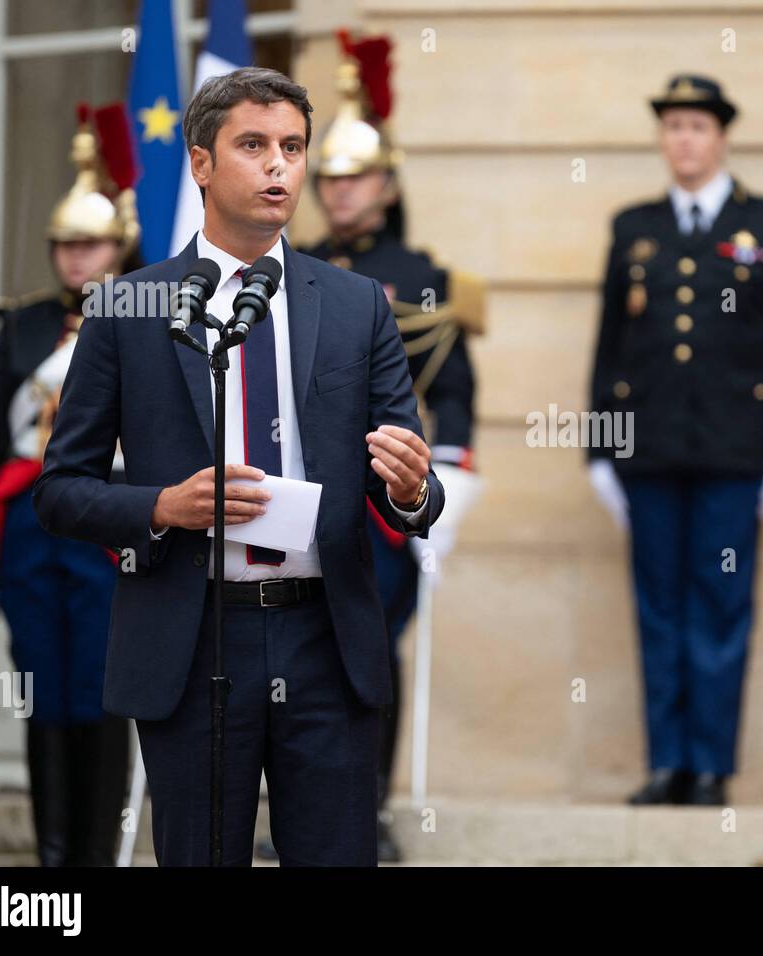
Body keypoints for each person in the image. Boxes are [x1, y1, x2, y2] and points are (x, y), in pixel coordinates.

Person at [33, 67, 445, 866]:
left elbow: (408, 485)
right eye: (253, 145)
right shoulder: (126, 309)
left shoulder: (358, 305)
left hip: (325, 639)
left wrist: (411, 489)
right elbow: (60, 492)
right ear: (200, 163)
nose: (279, 167)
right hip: (193, 639)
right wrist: (161, 507)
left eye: (293, 147)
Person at [588, 75, 763, 806]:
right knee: (656, 606)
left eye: (697, 125)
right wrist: (598, 445)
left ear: (721, 137)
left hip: (735, 452)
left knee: (720, 604)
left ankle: (711, 764)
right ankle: (667, 763)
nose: (684, 138)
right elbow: (610, 343)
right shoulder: (634, 225)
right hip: (649, 449)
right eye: (673, 125)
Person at [295, 31, 483, 862]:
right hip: (297, 491)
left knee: (369, 651)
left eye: (356, 177)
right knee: (297, 655)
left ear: (387, 180)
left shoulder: (422, 271)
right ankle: (302, 807)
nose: (339, 194)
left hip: (378, 496)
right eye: (329, 179)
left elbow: (454, 392)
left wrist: (444, 484)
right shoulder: (287, 263)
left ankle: (365, 807)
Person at [0, 103, 138, 866]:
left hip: (107, 522)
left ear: (116, 244)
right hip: (30, 524)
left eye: (88, 245)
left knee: (101, 690)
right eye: (64, 246)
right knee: (43, 691)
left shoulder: (143, 319)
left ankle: (96, 855)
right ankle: (53, 857)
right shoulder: (21, 326)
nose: (74, 259)